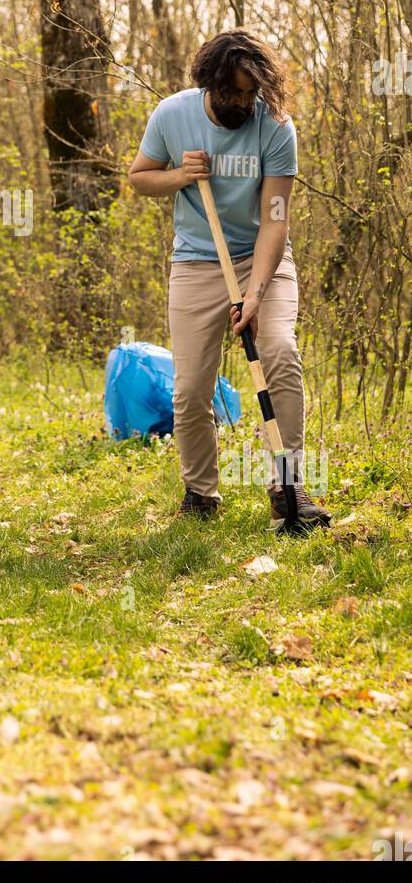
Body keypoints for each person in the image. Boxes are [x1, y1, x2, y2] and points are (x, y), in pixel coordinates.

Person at [128, 31, 330, 532]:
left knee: (280, 351)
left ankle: (289, 489)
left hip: (263, 259)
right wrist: (178, 175)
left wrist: (256, 293)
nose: (242, 102)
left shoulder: (276, 126)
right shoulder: (173, 115)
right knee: (191, 386)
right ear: (211, 82)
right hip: (196, 262)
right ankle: (200, 492)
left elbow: (276, 217)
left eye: (250, 93)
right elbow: (138, 177)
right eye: (233, 92)